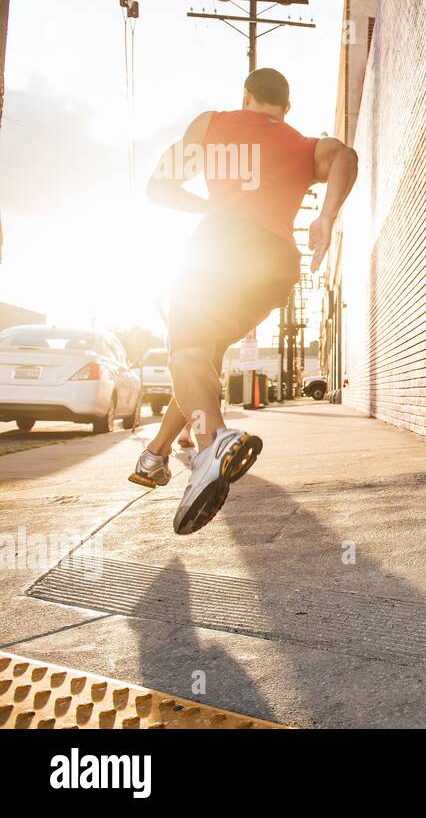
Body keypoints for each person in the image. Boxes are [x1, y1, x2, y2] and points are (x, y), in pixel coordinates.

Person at [128, 68, 358, 535]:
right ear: (286, 107)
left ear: (246, 97)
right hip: (274, 270)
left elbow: (158, 187)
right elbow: (346, 157)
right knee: (198, 359)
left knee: (186, 352)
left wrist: (207, 206)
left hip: (219, 254)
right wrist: (325, 218)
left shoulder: (212, 124)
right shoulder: (303, 144)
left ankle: (212, 443)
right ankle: (156, 455)